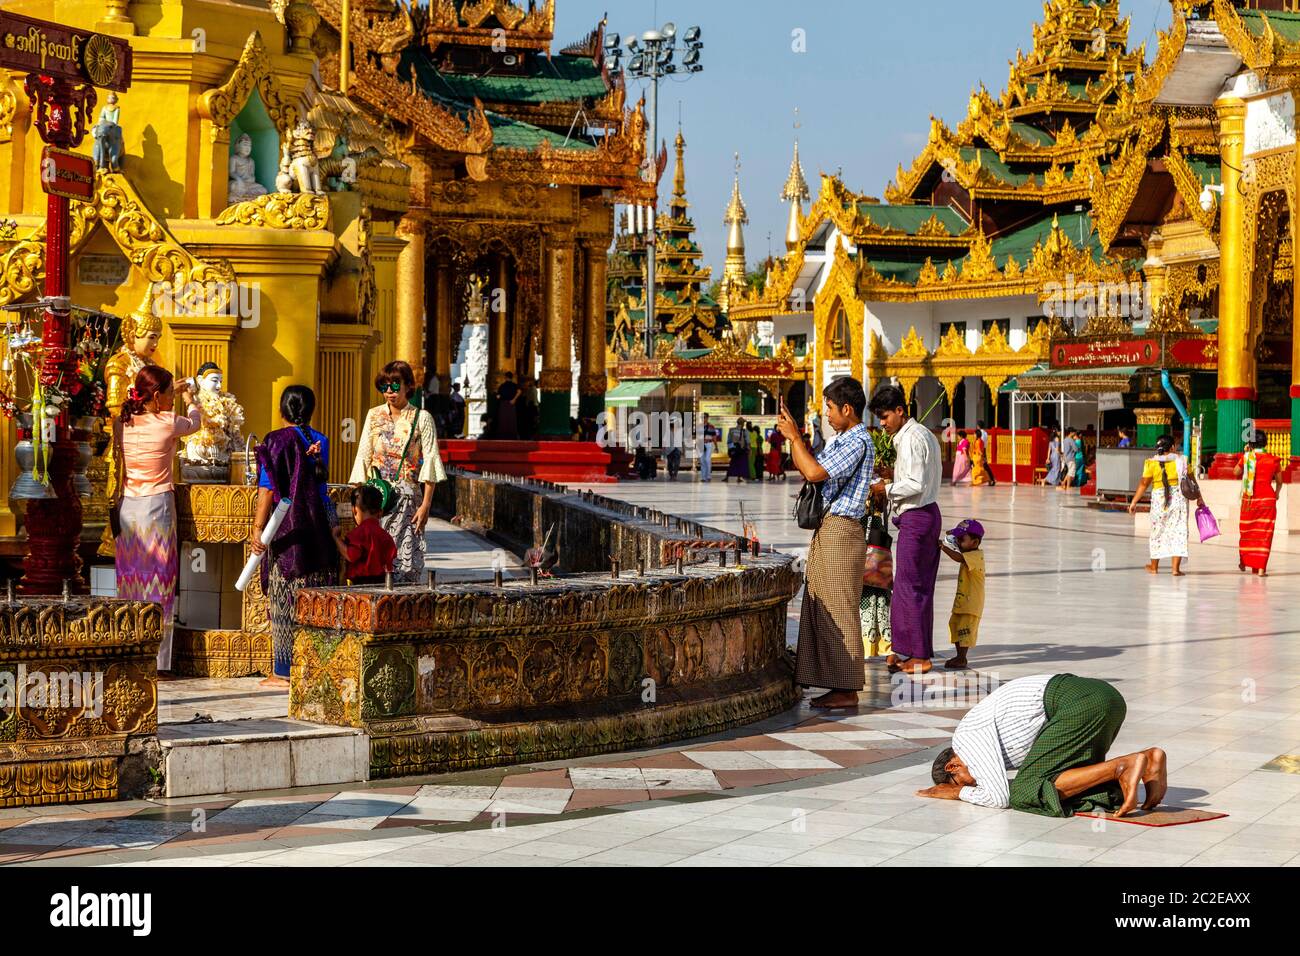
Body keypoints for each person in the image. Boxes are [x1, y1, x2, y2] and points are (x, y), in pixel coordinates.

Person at [919, 674, 1168, 819]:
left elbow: (999, 798)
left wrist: (957, 792)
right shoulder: (991, 742)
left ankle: (1123, 766)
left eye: (966, 781)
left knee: (1023, 791)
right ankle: (1149, 759)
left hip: (1079, 703)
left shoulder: (966, 737)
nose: (976, 784)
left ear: (953, 765)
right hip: (1107, 698)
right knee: (1057, 781)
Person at [778, 377, 875, 709]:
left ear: (847, 409)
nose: (829, 416)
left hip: (842, 532)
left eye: (831, 409)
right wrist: (794, 439)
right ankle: (826, 678)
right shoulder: (842, 438)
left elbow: (815, 473)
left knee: (838, 608)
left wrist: (794, 438)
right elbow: (806, 466)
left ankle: (846, 688)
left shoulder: (857, 441)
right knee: (820, 601)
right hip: (829, 528)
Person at [114, 367, 201, 675]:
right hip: (157, 506)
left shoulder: (122, 423)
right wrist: (192, 399)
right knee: (159, 583)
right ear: (156, 395)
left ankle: (129, 650)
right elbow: (195, 423)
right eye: (167, 394)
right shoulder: (168, 422)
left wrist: (170, 390)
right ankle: (156, 660)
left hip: (129, 507)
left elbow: (150, 402)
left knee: (131, 581)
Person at [252, 385, 340, 687]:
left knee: (282, 598)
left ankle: (283, 671)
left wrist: (258, 529)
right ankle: (312, 664)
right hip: (317, 528)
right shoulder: (321, 440)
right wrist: (334, 527)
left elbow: (267, 489)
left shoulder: (275, 441)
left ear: (281, 410)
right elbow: (321, 487)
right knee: (312, 597)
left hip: (286, 528)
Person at [349, 360, 447, 583]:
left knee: (405, 563)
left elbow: (431, 460)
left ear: (408, 386)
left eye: (395, 385)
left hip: (408, 500)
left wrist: (426, 505)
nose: (390, 392)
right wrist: (357, 503)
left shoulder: (422, 418)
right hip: (375, 501)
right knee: (373, 561)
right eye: (385, 387)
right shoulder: (373, 416)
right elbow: (363, 456)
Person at [869, 384, 942, 676]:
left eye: (885, 417)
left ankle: (919, 655)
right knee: (917, 586)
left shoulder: (911, 438)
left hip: (917, 517)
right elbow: (916, 476)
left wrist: (883, 487)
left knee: (909, 587)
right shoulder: (921, 434)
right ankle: (912, 650)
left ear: (900, 411)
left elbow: (915, 484)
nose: (882, 423)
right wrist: (892, 475)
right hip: (925, 514)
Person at [1128, 434, 1201, 576]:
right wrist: (1200, 498)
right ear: (1173, 447)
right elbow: (1192, 482)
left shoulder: (1151, 463)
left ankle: (1154, 567)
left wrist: (1134, 501)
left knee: (1157, 530)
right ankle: (1175, 569)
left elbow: (1144, 484)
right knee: (1179, 531)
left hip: (1159, 501)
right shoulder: (1182, 461)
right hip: (1179, 499)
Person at [940, 519, 985, 671]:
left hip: (971, 604)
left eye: (962, 540)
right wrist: (952, 535)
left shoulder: (976, 556)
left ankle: (962, 657)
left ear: (975, 542)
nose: (958, 542)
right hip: (963, 601)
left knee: (965, 631)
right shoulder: (969, 552)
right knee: (956, 627)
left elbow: (958, 557)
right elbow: (953, 539)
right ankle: (959, 655)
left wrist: (943, 547)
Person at [1235, 432, 1282, 576]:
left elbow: (1236, 472)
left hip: (1249, 500)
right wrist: (1277, 493)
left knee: (1247, 532)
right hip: (1267, 500)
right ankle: (1261, 569)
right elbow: (1279, 481)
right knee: (1264, 534)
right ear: (1265, 443)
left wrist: (1245, 454)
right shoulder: (1273, 460)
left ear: (1250, 444)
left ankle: (1244, 560)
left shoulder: (1247, 458)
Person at [341, 484, 397, 586]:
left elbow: (351, 555)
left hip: (360, 584)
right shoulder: (386, 536)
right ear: (380, 513)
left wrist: (336, 538)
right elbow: (390, 562)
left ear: (354, 510)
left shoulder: (357, 534)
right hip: (382, 581)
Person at [861, 517, 893, 659]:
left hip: (866, 532)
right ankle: (882, 646)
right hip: (875, 535)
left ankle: (869, 646)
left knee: (870, 591)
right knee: (878, 592)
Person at [494, 372, 520, 439]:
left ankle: (503, 436)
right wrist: (514, 399)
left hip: (503, 404)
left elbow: (498, 396)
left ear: (505, 377)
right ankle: (512, 436)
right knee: (511, 420)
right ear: (512, 377)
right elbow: (519, 391)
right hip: (511, 404)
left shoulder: (502, 386)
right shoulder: (514, 385)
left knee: (503, 420)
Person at [724, 417, 750, 482]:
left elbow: (729, 440)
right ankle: (739, 477)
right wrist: (749, 449)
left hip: (734, 450)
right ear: (742, 423)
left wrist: (730, 449)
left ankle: (727, 477)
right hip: (742, 450)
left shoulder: (731, 430)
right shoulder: (745, 431)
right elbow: (748, 441)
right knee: (742, 464)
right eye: (743, 423)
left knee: (733, 463)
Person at [697, 413, 718, 482]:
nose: (704, 419)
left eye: (705, 417)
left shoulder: (711, 426)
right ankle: (703, 477)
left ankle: (708, 476)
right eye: (702, 417)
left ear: (708, 418)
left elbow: (714, 437)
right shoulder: (699, 426)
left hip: (708, 444)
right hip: (701, 444)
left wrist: (716, 446)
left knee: (707, 459)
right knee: (702, 461)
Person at [976, 420, 996, 486]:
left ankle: (991, 479)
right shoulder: (985, 433)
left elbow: (979, 442)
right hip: (984, 450)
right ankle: (990, 479)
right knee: (984, 466)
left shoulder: (979, 433)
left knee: (984, 466)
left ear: (978, 426)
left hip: (980, 450)